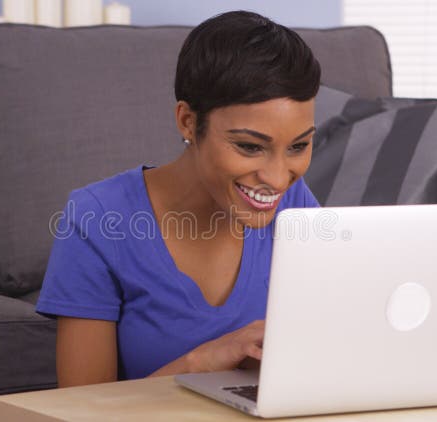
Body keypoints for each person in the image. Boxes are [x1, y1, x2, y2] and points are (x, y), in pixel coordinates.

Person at [36, 10, 321, 387]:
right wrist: (200, 363)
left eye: (298, 146)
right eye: (250, 147)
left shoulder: (294, 205)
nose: (276, 177)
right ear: (188, 122)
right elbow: (77, 410)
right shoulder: (96, 218)